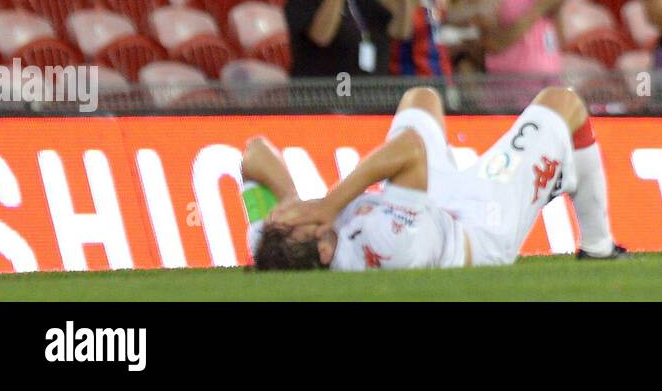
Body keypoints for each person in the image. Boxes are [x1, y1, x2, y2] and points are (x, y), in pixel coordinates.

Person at [241, 83, 625, 269]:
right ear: (325, 251)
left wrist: (288, 200)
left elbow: (253, 154)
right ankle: (598, 246)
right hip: (479, 225)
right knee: (564, 102)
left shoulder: (271, 242)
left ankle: (560, 175)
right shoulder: (384, 247)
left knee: (420, 98)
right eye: (306, 224)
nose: (301, 217)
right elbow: (411, 151)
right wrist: (329, 204)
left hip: (430, 202)